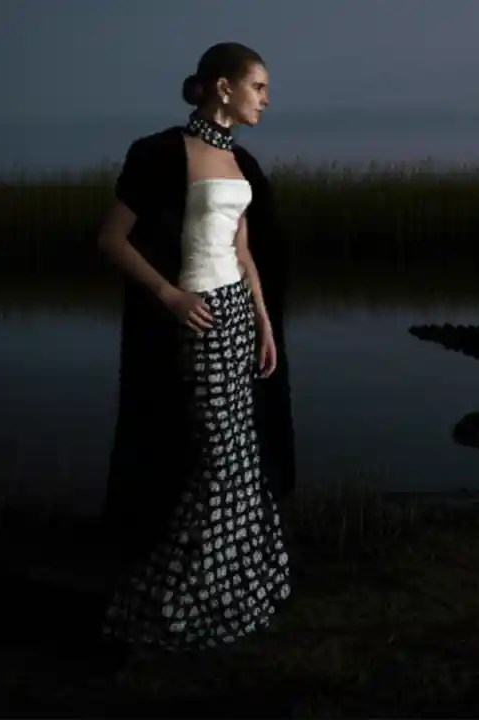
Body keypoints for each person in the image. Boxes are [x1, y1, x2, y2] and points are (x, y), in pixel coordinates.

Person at [94, 41, 293, 651]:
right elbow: (110, 238)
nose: (266, 98)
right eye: (258, 86)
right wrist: (170, 296)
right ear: (222, 87)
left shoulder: (244, 164)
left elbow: (243, 251)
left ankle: (236, 593)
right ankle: (167, 604)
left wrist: (262, 322)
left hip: (236, 313)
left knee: (241, 457)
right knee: (213, 460)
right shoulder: (162, 153)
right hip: (197, 316)